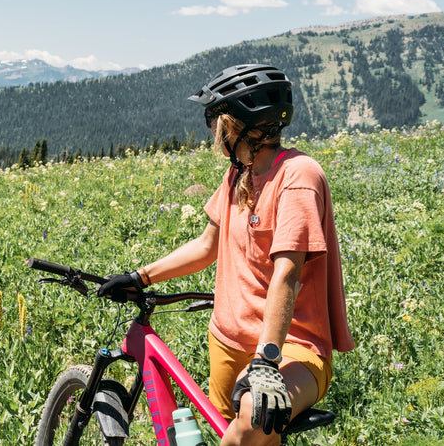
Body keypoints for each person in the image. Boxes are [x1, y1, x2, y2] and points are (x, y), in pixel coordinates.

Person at [98, 64, 354, 446]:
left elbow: (287, 275)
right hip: (226, 343)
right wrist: (141, 277)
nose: (212, 132)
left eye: (214, 121)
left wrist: (266, 359)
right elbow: (207, 246)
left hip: (289, 347)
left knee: (253, 421)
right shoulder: (239, 174)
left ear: (235, 125)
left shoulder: (298, 176)